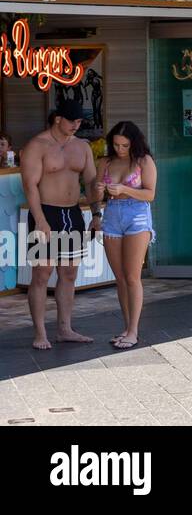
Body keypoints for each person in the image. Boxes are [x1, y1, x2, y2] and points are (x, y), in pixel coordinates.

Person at [21, 100, 99, 350]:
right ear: (58, 119)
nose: (76, 125)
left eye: (79, 122)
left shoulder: (82, 147)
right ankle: (40, 333)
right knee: (42, 274)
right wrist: (40, 220)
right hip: (45, 212)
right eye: (72, 121)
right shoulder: (37, 145)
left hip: (72, 214)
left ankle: (65, 329)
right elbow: (29, 186)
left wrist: (97, 213)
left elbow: (91, 182)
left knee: (69, 273)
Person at [95, 121, 157, 349]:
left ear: (134, 143)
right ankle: (126, 326)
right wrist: (99, 191)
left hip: (137, 216)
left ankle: (134, 330)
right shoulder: (106, 162)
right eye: (116, 144)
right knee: (120, 278)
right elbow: (95, 195)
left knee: (132, 277)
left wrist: (124, 189)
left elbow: (150, 194)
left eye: (125, 145)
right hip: (112, 215)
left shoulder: (143, 161)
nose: (120, 149)